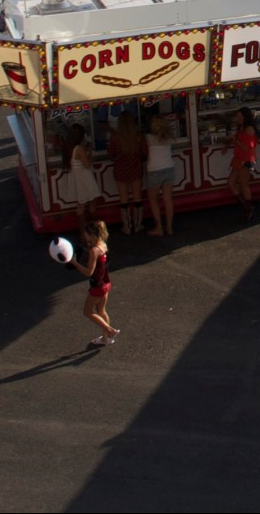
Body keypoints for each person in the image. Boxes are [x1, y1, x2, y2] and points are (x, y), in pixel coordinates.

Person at [66, 218, 119, 346]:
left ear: (91, 234)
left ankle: (110, 330)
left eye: (86, 234)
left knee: (88, 312)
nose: (85, 236)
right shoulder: (103, 245)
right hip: (105, 283)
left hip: (97, 286)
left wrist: (75, 263)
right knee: (101, 311)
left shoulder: (94, 251)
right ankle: (106, 339)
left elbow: (89, 272)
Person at [108, 110, 145, 235]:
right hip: (135, 168)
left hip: (120, 169)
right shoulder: (138, 136)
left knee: (123, 199)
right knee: (137, 198)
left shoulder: (115, 138)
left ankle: (127, 226)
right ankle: (138, 225)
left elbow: (111, 154)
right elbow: (144, 153)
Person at [142, 113, 176, 236]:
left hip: (154, 170)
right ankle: (169, 227)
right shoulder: (170, 137)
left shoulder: (148, 138)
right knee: (167, 199)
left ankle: (159, 227)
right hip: (169, 168)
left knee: (153, 200)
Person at [227, 107, 257, 221]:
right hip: (239, 158)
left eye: (240, 117)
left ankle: (248, 209)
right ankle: (246, 206)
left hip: (246, 160)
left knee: (244, 185)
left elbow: (247, 148)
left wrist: (235, 140)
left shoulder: (249, 129)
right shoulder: (241, 127)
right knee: (231, 182)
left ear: (246, 117)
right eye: (237, 116)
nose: (238, 119)